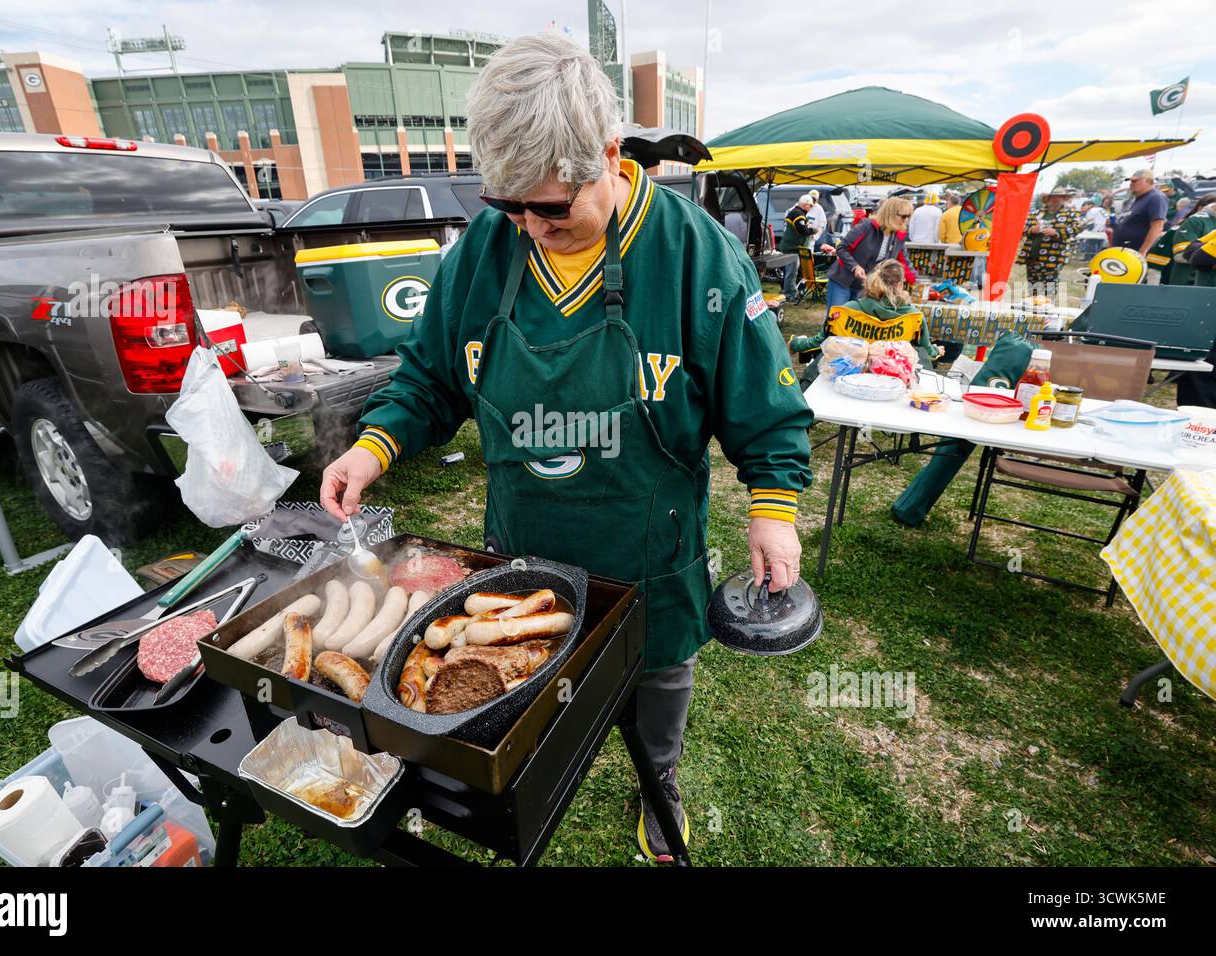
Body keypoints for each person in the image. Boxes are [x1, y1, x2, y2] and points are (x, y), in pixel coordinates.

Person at [316, 32, 814, 863]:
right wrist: (373, 447)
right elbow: (432, 378)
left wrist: (773, 507)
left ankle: (660, 785)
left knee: (656, 687)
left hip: (646, 544)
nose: (531, 227)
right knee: (514, 687)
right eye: (509, 208)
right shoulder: (488, 248)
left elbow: (764, 405)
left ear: (608, 157)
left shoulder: (696, 256)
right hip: (522, 549)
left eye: (552, 208)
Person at [790, 259, 940, 386]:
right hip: (892, 381)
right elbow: (928, 351)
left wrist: (796, 343)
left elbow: (819, 341)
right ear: (900, 285)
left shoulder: (847, 310)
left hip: (846, 377)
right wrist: (937, 351)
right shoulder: (913, 317)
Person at [827, 196, 917, 308]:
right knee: (835, 319)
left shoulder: (898, 236)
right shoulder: (867, 226)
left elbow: (904, 262)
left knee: (855, 321)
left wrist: (916, 282)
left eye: (908, 216)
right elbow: (842, 248)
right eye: (903, 216)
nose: (906, 220)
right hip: (842, 280)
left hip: (864, 287)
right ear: (890, 213)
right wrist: (854, 266)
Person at [1017, 186, 1080, 298]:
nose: (1055, 199)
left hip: (1053, 257)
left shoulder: (1070, 213)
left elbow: (1077, 228)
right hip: (1032, 256)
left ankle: (1048, 310)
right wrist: (1031, 229)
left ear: (1064, 199)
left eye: (1059, 197)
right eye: (1053, 197)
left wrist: (1057, 232)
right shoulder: (1037, 213)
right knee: (1032, 287)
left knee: (1049, 288)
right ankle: (1032, 308)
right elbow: (1022, 228)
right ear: (1048, 199)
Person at [1113, 169, 1169, 261]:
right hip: (1124, 252)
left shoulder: (1156, 197)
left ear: (1148, 181)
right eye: (1130, 181)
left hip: (1136, 254)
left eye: (1135, 181)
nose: (1131, 184)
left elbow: (1157, 226)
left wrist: (1143, 251)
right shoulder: (1136, 199)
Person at [779, 194, 818, 303]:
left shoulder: (795, 212)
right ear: (805, 205)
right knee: (792, 272)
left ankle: (786, 291)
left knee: (790, 272)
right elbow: (802, 230)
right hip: (792, 247)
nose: (810, 208)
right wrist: (812, 231)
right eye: (810, 205)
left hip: (790, 246)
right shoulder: (798, 215)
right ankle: (789, 294)